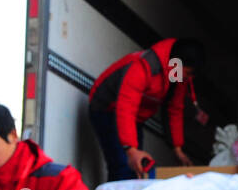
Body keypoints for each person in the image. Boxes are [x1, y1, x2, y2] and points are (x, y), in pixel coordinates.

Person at [87, 38, 205, 181]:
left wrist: (177, 149)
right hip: (108, 108)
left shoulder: (177, 73)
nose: (189, 78)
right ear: (177, 62)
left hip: (135, 117)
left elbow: (174, 108)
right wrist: (131, 149)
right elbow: (126, 105)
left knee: (137, 170)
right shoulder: (144, 65)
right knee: (124, 167)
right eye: (189, 73)